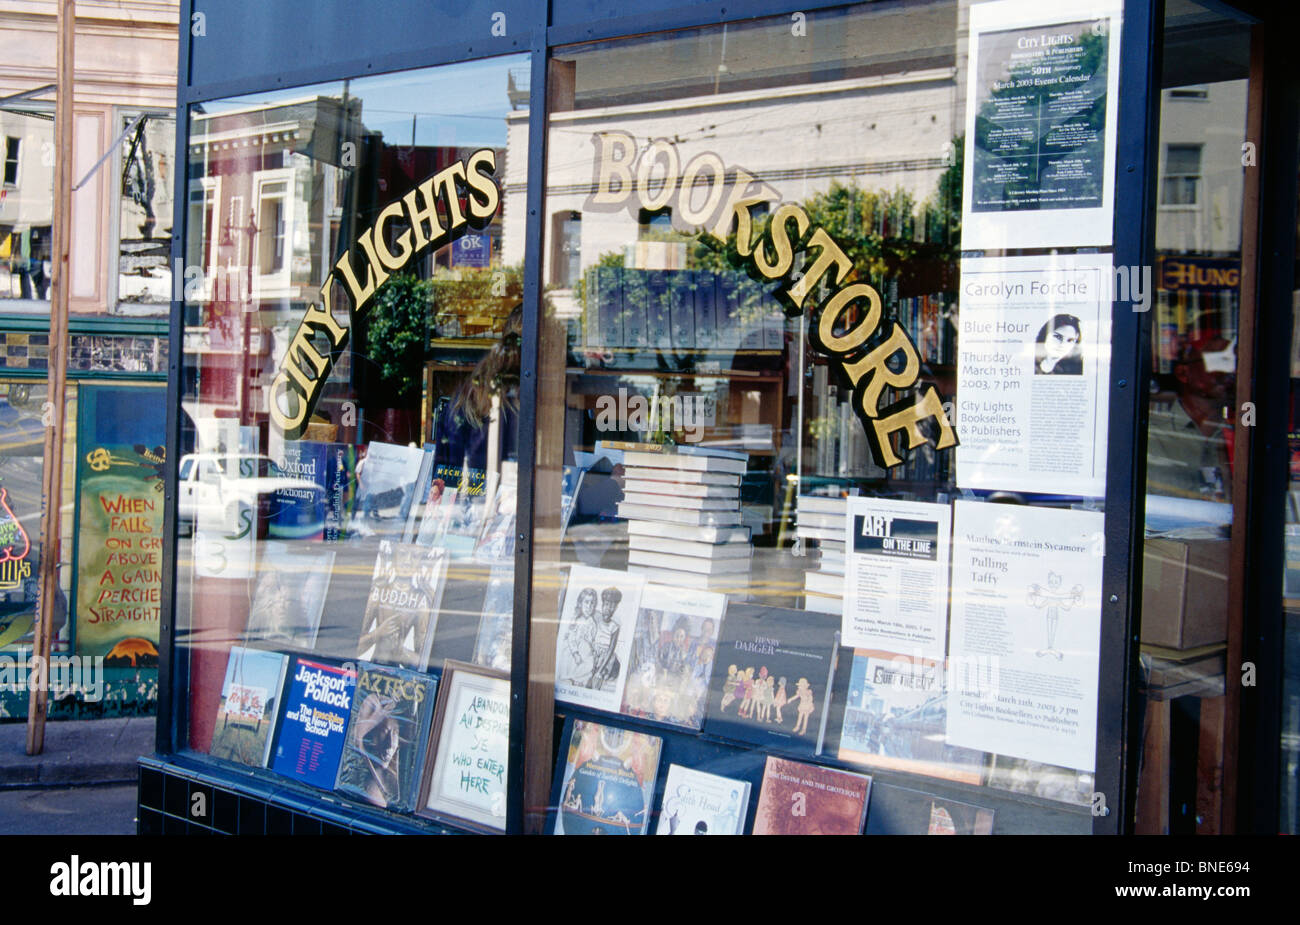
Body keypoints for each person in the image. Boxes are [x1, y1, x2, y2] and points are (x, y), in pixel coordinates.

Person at [1146, 335, 1233, 500]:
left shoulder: (1240, 433)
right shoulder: (1151, 435)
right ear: (1183, 372)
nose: (1230, 370)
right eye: (1219, 360)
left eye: (1235, 362)